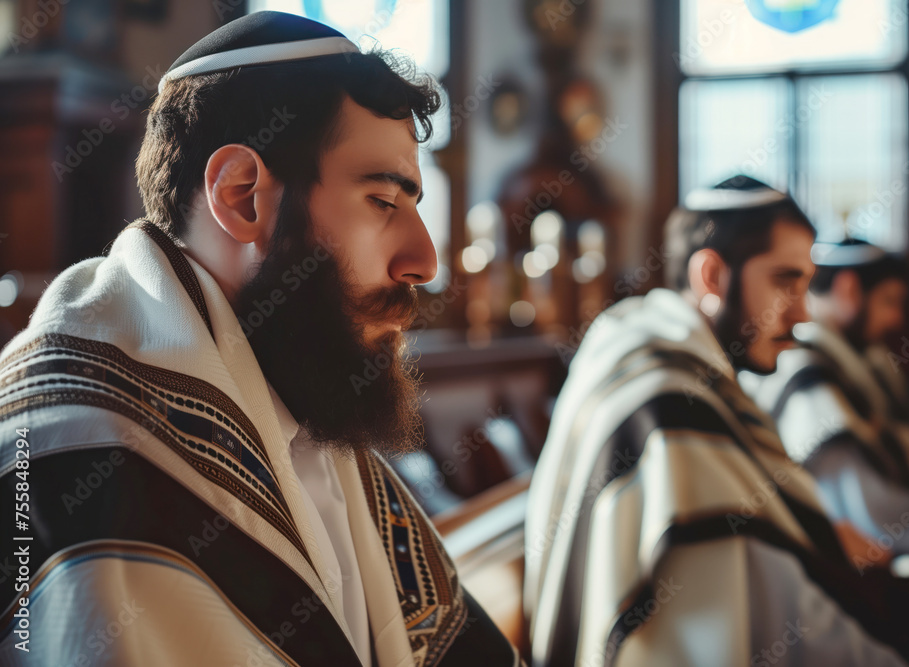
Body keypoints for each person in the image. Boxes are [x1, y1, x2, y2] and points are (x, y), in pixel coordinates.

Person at [0, 12, 520, 666]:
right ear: (243, 196)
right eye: (384, 202)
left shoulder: (299, 397)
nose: (423, 259)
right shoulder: (86, 461)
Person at [523, 177, 909, 666]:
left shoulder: (646, 346)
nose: (800, 313)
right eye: (783, 281)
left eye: (806, 285)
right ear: (711, 276)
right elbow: (764, 619)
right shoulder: (669, 404)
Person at [742, 240, 909, 572]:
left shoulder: (868, 359)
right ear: (849, 290)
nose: (896, 319)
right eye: (890, 302)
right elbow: (864, 513)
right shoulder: (804, 369)